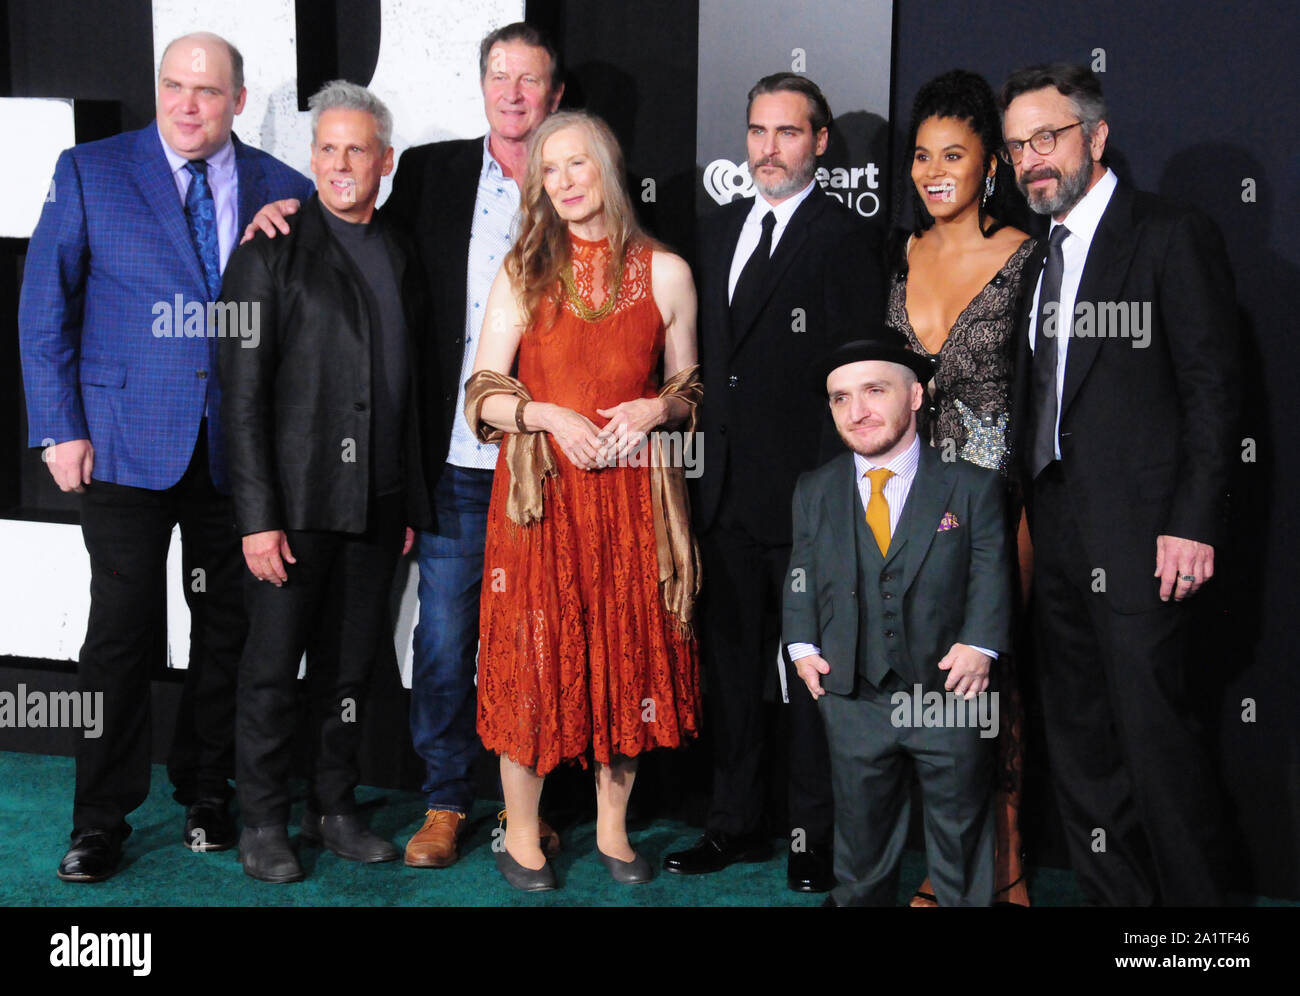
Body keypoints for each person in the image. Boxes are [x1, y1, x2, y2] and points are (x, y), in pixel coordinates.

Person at [243, 22, 564, 868]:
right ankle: (442, 801)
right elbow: (341, 215)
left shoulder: (581, 180)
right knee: (441, 644)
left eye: (530, 79)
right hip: (447, 464)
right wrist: (281, 208)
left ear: (555, 95)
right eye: (500, 76)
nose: (513, 93)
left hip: (547, 466)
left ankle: (533, 808)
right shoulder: (429, 173)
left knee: (538, 642)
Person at [18, 32, 312, 882]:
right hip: (121, 442)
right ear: (159, 87)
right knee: (118, 635)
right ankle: (98, 819)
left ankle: (207, 791)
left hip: (237, 453)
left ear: (238, 100)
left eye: (208, 91)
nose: (188, 104)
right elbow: (44, 306)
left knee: (228, 632)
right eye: (175, 86)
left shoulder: (284, 188)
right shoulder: (90, 171)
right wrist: (59, 427)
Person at [1001, 63, 1238, 905]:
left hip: (1145, 537)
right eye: (1016, 145)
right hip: (1055, 530)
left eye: (1047, 137)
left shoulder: (1169, 234)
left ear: (1096, 137)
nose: (1030, 158)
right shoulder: (1037, 257)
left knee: (1157, 745)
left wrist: (1194, 521)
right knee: (1082, 746)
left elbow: (1213, 390)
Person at [465, 110, 701, 891]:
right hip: (541, 503)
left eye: (577, 164)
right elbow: (481, 395)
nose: (564, 182)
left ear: (608, 168)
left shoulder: (666, 272)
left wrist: (656, 408)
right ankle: (521, 832)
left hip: (632, 502)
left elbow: (689, 392)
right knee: (534, 662)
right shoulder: (522, 271)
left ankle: (611, 828)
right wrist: (547, 414)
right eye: (549, 169)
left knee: (622, 653)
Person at [664, 73, 882, 893]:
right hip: (719, 497)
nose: (768, 148)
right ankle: (733, 822)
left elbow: (854, 380)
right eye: (757, 131)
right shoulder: (714, 231)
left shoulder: (847, 237)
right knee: (728, 671)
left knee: (811, 676)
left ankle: (812, 837)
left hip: (805, 502)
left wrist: (833, 500)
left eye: (787, 132)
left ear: (819, 142)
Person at [218, 81, 427, 882]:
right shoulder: (266, 251)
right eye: (328, 149)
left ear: (385, 160)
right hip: (293, 507)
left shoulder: (402, 249)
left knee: (349, 670)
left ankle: (333, 806)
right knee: (272, 671)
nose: (342, 164)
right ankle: (263, 821)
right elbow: (239, 399)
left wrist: (406, 500)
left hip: (377, 505)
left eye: (357, 149)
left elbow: (411, 385)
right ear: (311, 158)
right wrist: (256, 518)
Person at [784, 333, 1013, 906]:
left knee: (961, 838)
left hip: (952, 694)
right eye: (840, 398)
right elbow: (802, 572)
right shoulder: (815, 490)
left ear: (914, 396)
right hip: (853, 695)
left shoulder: (972, 486)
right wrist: (801, 646)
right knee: (860, 844)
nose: (856, 411)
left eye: (874, 391)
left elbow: (992, 570)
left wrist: (981, 644)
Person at [887, 69, 1034, 907]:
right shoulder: (902, 253)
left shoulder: (1026, 257)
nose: (934, 171)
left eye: (954, 154)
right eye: (921, 155)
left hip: (1001, 505)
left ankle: (1007, 870)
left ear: (991, 165)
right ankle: (948, 870)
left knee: (994, 688)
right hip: (916, 504)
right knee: (928, 691)